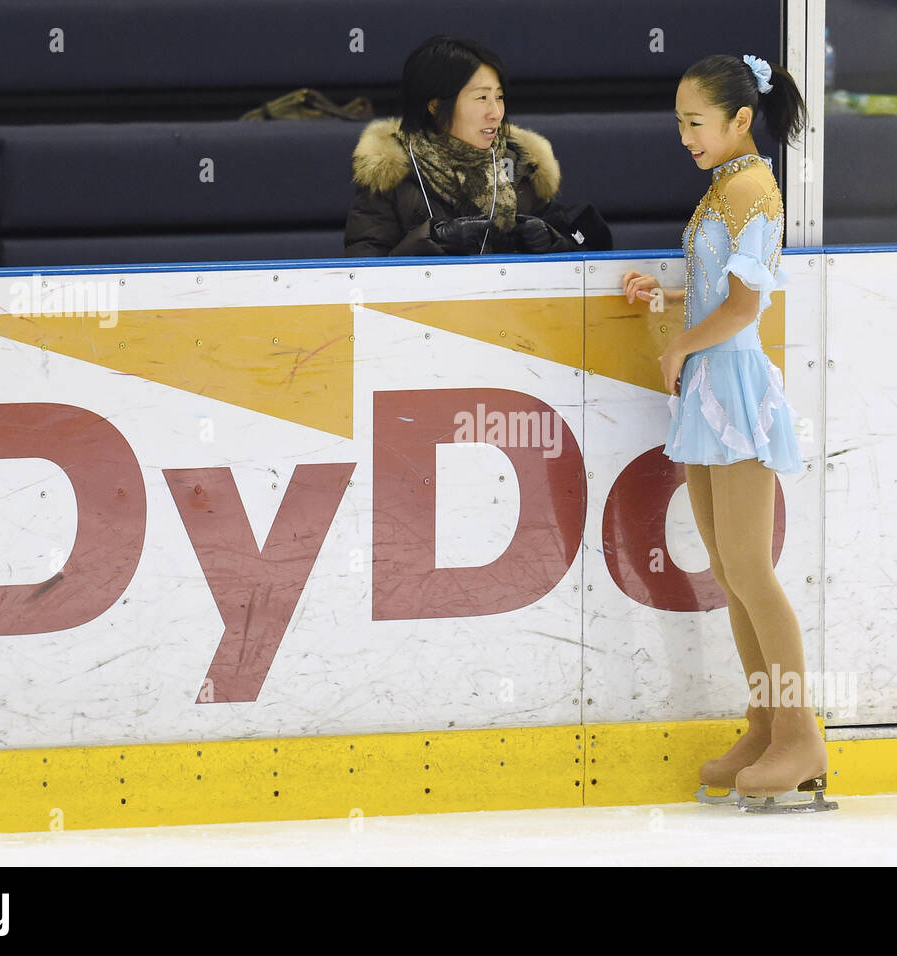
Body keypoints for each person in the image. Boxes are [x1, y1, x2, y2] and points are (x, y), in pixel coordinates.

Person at [622, 54, 834, 813]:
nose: (684, 135)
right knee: (730, 567)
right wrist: (669, 293)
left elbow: (746, 309)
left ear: (740, 119)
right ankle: (764, 725)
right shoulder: (727, 184)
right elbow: (721, 289)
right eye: (679, 121)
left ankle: (799, 733)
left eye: (694, 121)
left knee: (750, 568)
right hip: (712, 381)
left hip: (733, 383)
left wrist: (679, 342)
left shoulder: (751, 188)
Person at [344, 35, 609, 257]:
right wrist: (431, 244)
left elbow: (578, 264)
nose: (495, 113)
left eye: (499, 97)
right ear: (436, 106)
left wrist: (551, 241)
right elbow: (362, 276)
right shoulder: (390, 173)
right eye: (481, 97)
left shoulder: (522, 166)